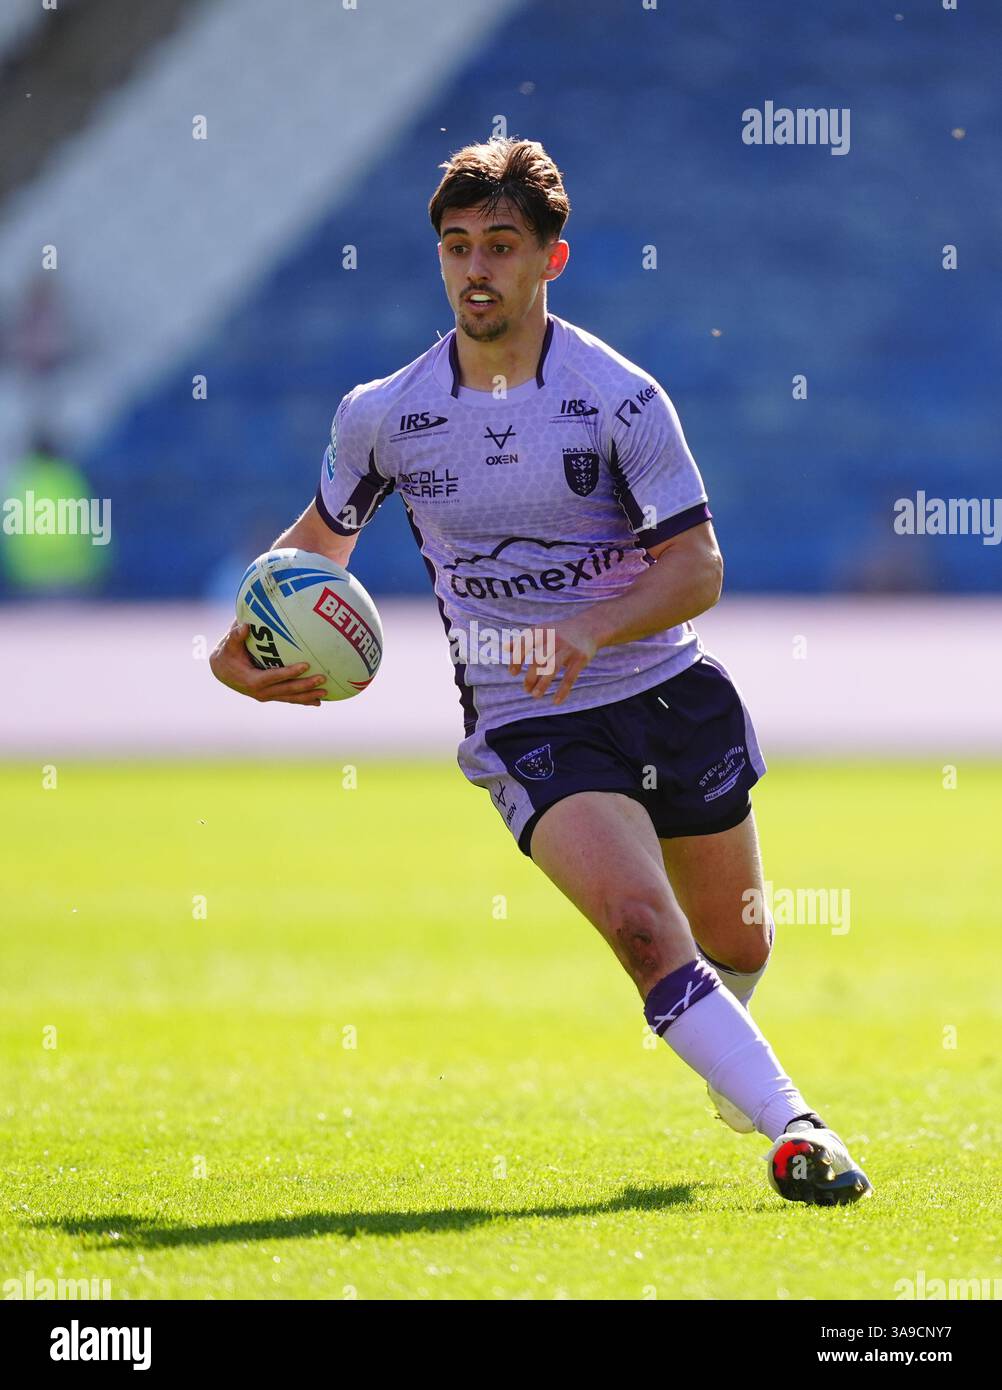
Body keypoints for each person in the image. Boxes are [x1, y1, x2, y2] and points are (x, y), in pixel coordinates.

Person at [210, 137, 871, 1205]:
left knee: (736, 937)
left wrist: (590, 630)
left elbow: (697, 569)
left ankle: (730, 1049)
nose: (476, 269)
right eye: (457, 246)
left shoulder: (619, 399)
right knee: (645, 932)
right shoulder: (383, 415)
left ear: (550, 261)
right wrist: (241, 647)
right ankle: (798, 1128)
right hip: (528, 719)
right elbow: (309, 558)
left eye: (502, 246)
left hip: (666, 694)